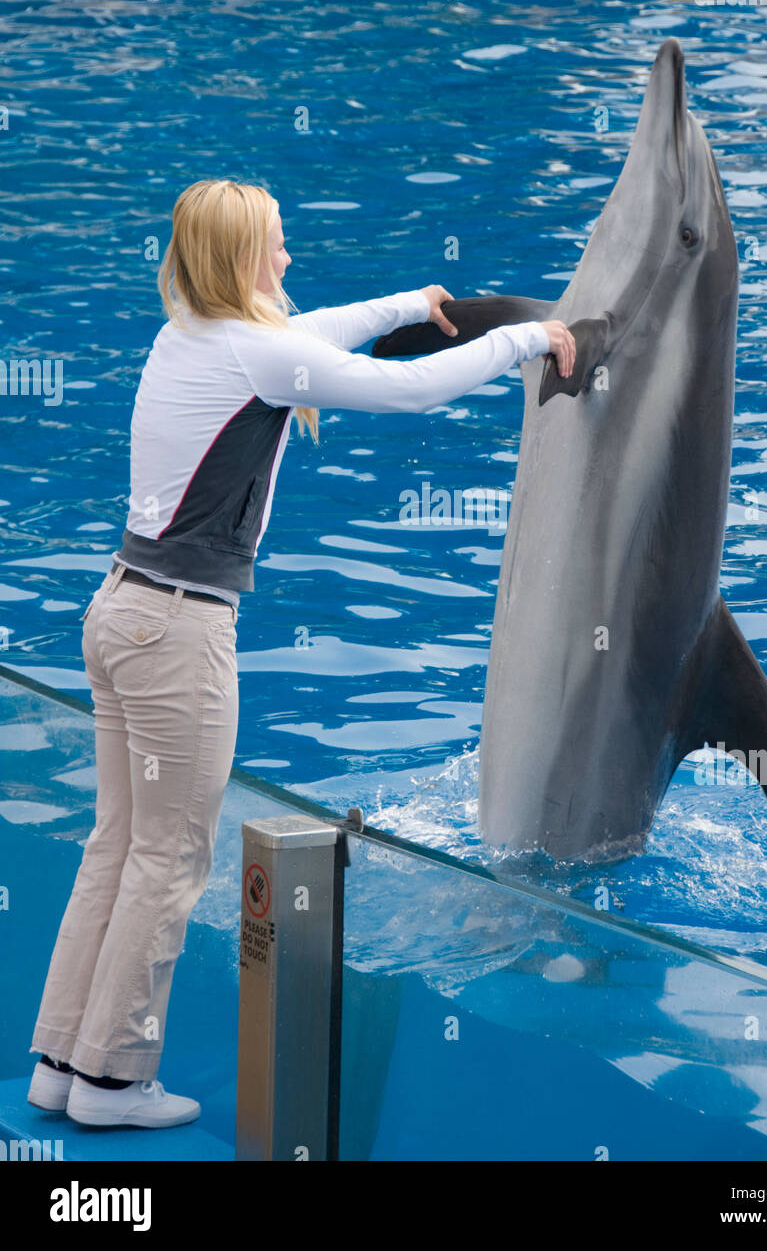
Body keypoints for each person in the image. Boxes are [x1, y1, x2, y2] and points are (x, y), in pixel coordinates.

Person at [26, 178, 575, 1129]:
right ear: (241, 259)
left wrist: (412, 304)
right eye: (274, 244)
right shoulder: (253, 353)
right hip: (177, 632)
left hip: (116, 611)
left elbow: (310, 332)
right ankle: (113, 1080)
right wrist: (531, 338)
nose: (287, 258)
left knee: (117, 845)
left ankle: (61, 1063)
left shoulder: (188, 334)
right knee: (168, 857)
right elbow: (410, 391)